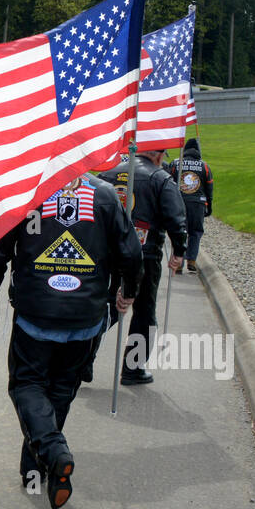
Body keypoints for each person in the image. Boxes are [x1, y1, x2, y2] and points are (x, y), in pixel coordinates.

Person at [0, 175, 142, 509]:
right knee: (60, 391)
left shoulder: (26, 190)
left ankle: (53, 452)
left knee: (26, 386)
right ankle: (36, 469)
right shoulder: (106, 196)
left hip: (36, 314)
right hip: (86, 315)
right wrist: (129, 292)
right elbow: (131, 252)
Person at [97, 149, 187, 385]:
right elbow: (176, 219)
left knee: (106, 305)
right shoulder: (160, 178)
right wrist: (179, 250)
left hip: (108, 252)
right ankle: (133, 368)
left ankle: (80, 358)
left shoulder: (107, 175)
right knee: (144, 312)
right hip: (145, 255)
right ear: (159, 155)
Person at [169, 137, 213, 273]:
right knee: (195, 232)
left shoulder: (176, 164)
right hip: (197, 203)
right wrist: (209, 205)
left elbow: (168, 183)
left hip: (179, 202)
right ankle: (192, 260)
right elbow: (209, 187)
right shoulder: (204, 166)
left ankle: (179, 262)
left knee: (179, 232)